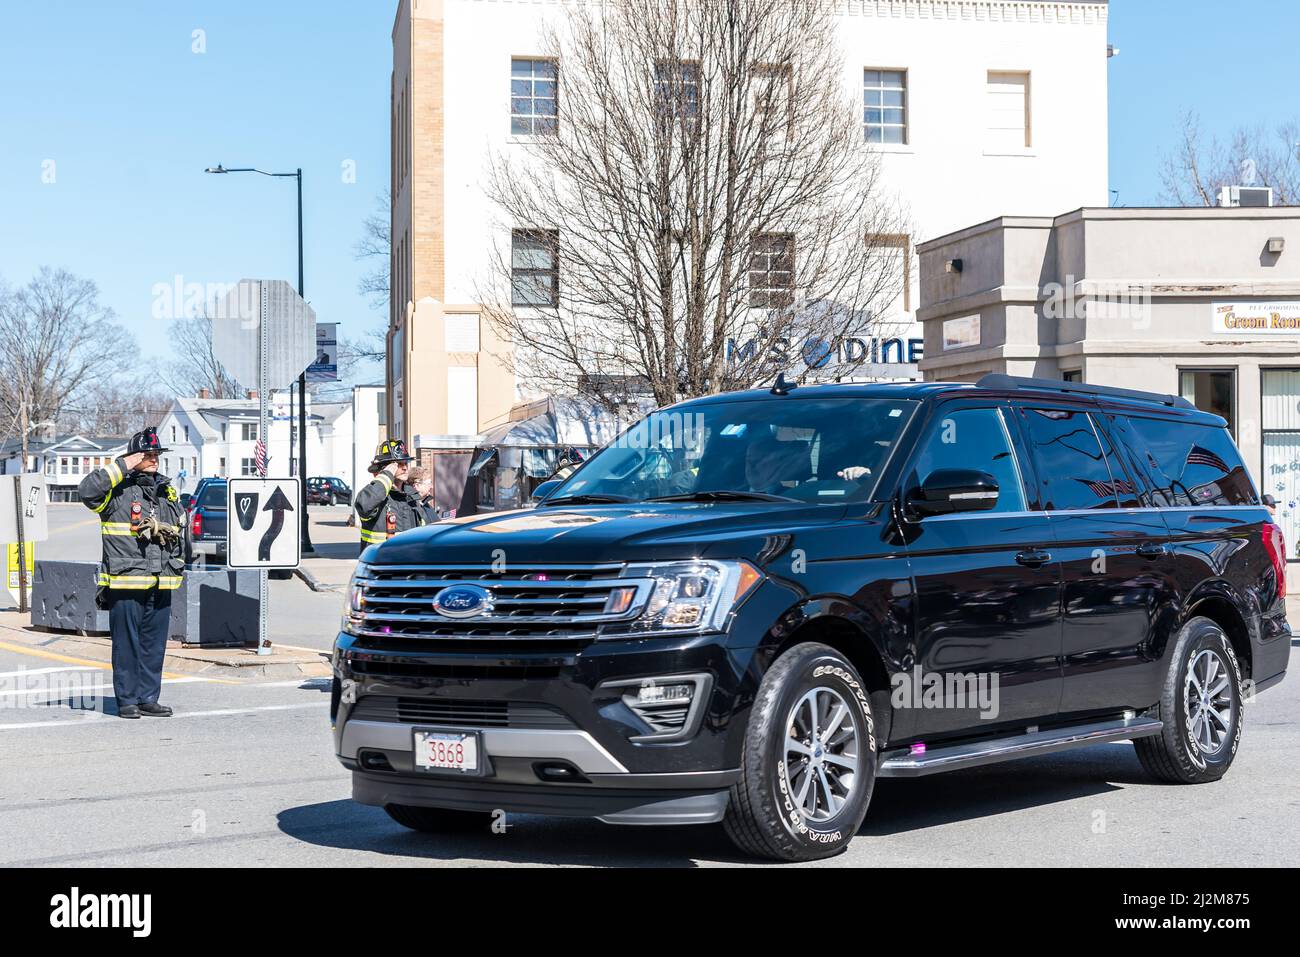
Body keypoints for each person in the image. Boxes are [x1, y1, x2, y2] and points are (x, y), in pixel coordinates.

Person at [78, 427, 185, 719]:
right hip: (126, 580)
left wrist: (177, 565)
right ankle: (126, 700)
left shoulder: (166, 490)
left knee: (154, 645)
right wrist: (123, 465)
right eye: (146, 455)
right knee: (127, 645)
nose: (153, 460)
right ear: (132, 457)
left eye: (155, 455)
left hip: (161, 580)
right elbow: (87, 491)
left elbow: (178, 532)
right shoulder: (116, 491)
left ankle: (148, 697)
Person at [355, 439, 428, 545]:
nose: (404, 468)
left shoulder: (412, 496)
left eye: (405, 463)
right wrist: (387, 474)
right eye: (398, 464)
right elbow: (364, 505)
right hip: (382, 559)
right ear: (386, 468)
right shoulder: (377, 496)